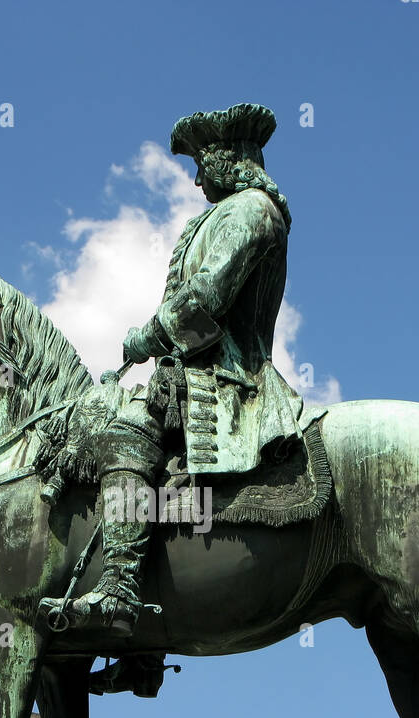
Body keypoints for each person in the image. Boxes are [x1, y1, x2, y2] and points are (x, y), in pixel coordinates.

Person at [65, 103, 304, 636]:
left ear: (232, 158)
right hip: (194, 376)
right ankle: (144, 650)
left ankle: (120, 589)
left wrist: (147, 335)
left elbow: (206, 298)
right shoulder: (226, 214)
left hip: (227, 382)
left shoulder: (251, 210)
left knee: (126, 434)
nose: (196, 177)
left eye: (203, 161)